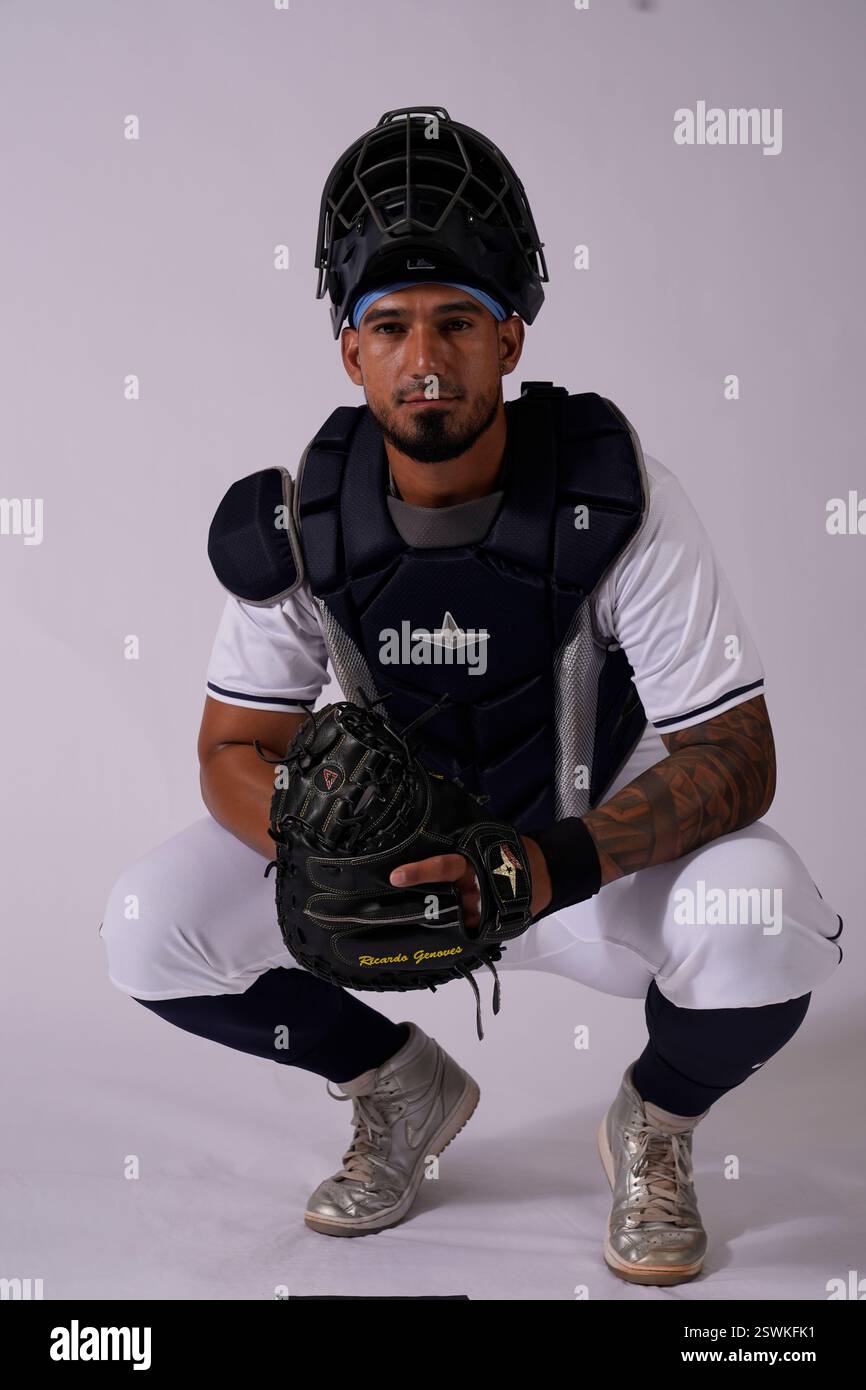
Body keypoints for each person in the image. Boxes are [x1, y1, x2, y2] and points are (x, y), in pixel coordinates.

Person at [100, 108, 843, 1286]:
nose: (423, 357)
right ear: (349, 352)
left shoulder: (612, 492)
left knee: (768, 920)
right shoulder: (308, 513)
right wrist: (327, 856)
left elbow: (736, 752)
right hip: (390, 885)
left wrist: (531, 870)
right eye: (388, 326)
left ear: (511, 334)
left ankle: (654, 1120)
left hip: (576, 869)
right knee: (148, 929)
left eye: (454, 320)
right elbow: (232, 745)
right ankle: (395, 1086)